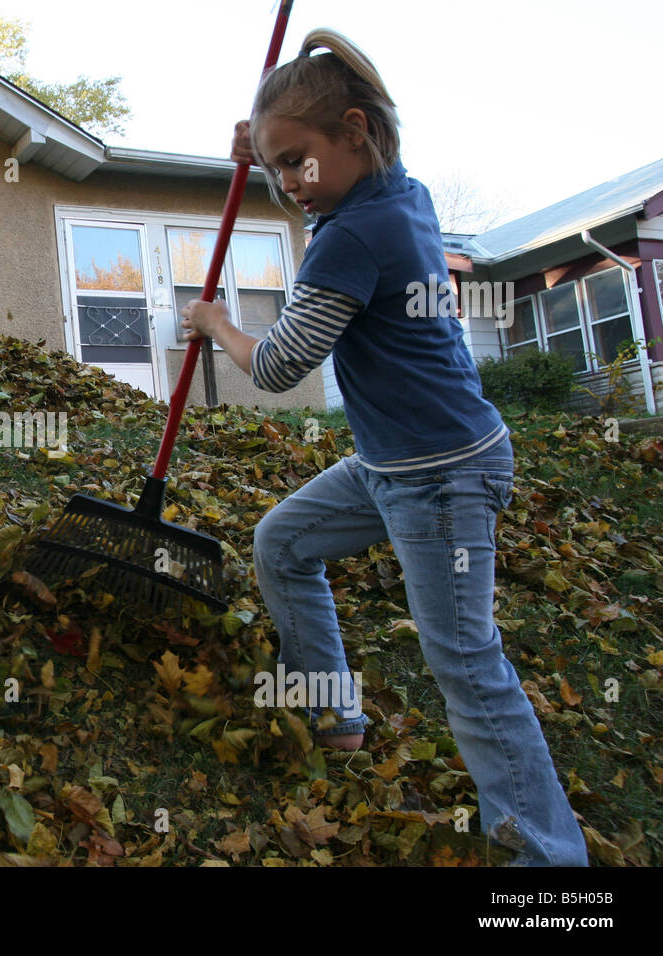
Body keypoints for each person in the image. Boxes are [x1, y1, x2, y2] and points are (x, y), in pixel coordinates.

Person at [180, 29, 586, 867]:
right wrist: (267, 156)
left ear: (356, 130)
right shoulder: (402, 190)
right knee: (283, 542)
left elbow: (287, 362)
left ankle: (550, 866)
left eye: (298, 163)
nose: (291, 187)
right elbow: (331, 195)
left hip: (441, 476)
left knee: (467, 664)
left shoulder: (349, 239)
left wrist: (217, 320)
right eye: (278, 169)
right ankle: (332, 714)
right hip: (396, 461)